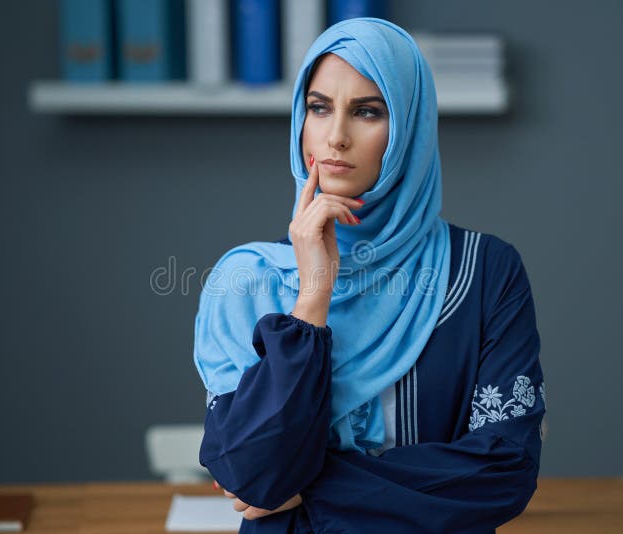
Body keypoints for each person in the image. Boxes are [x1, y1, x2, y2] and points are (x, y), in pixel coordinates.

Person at [193, 17, 546, 533]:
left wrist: (305, 487)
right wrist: (313, 295)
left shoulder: (484, 272)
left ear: (409, 128)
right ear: (299, 121)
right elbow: (254, 474)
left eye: (367, 111)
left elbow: (504, 470)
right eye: (319, 108)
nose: (335, 137)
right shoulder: (246, 281)